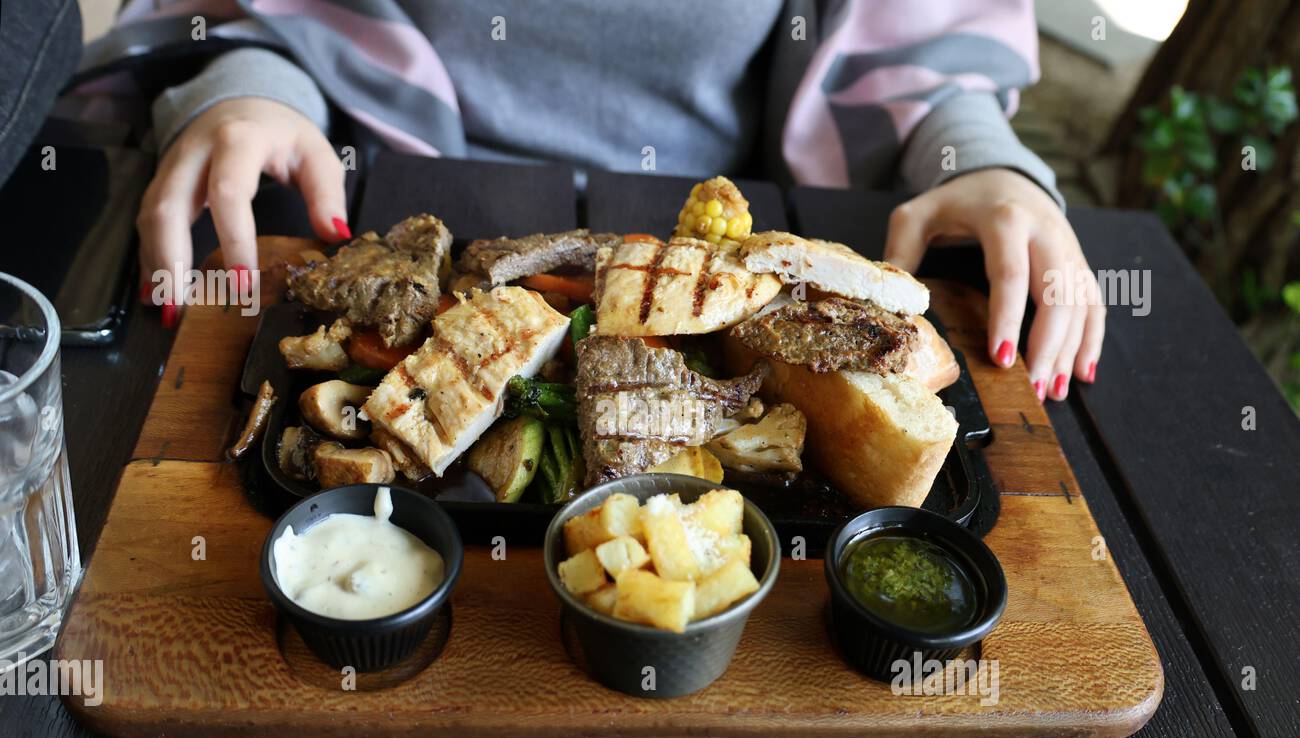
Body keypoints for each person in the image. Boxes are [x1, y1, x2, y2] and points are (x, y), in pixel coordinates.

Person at [88, 0, 1104, 401]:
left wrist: (982, 162)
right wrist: (243, 87)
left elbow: (915, 53)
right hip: (392, 205)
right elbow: (240, 11)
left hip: (695, 258)